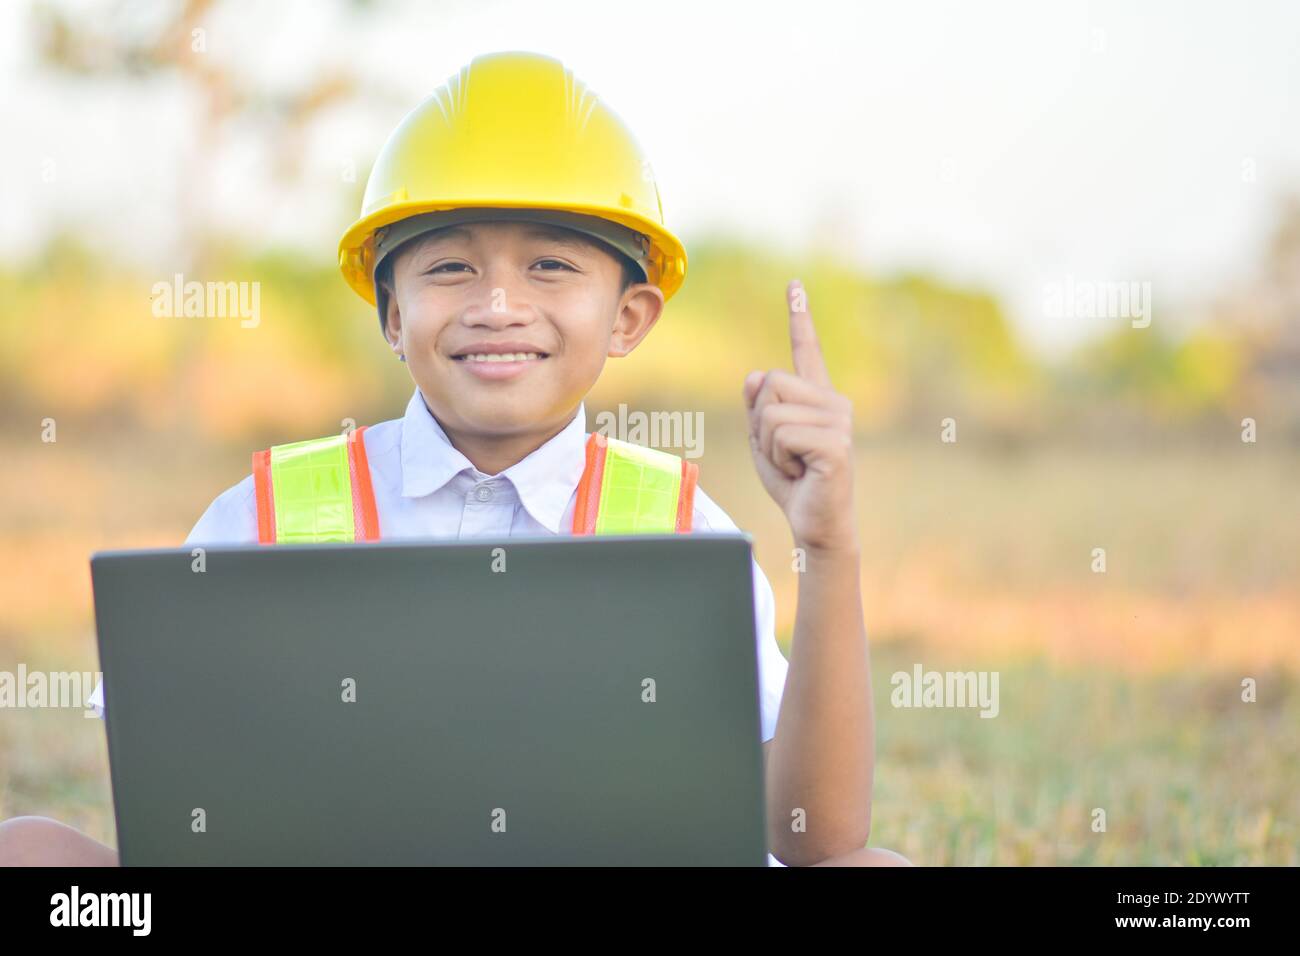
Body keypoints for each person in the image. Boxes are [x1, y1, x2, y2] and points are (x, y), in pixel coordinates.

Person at [0, 51, 910, 868]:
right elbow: (179, 815)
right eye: (449, 269)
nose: (499, 305)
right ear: (393, 314)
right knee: (30, 853)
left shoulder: (684, 535)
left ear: (629, 317)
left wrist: (828, 551)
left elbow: (814, 839)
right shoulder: (263, 517)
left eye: (551, 266)